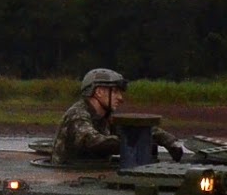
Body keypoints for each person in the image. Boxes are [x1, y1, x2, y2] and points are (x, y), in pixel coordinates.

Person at [51, 68, 184, 164]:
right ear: (99, 92)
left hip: (92, 173)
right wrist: (133, 144)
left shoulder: (105, 116)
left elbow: (132, 128)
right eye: (115, 91)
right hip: (70, 176)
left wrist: (168, 140)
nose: (120, 98)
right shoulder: (77, 115)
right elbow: (94, 142)